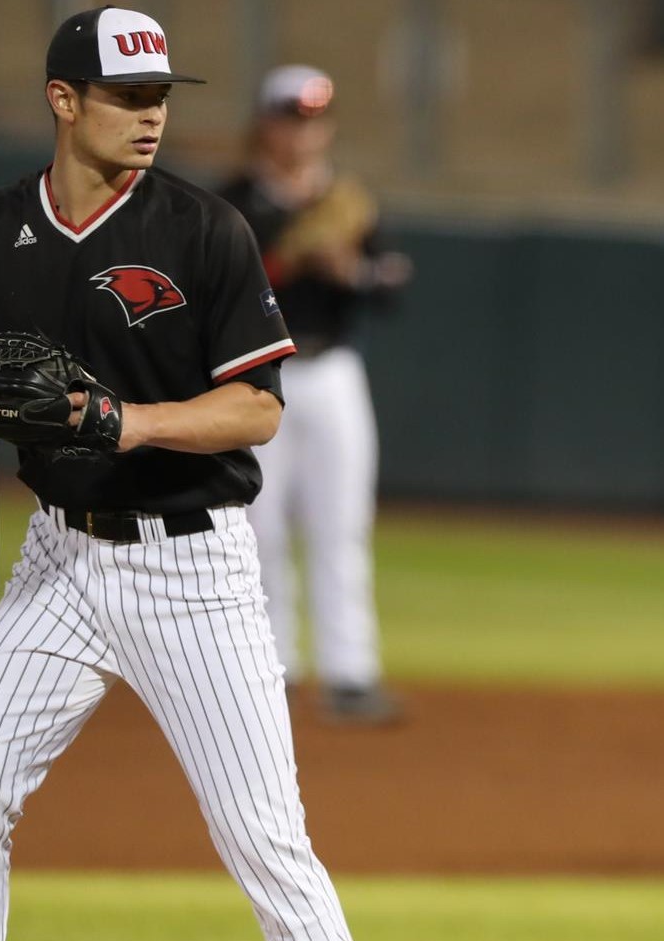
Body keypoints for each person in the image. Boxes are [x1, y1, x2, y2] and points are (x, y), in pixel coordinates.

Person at [0, 9, 400, 941]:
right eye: (126, 96)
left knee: (264, 838)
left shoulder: (204, 229)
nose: (150, 115)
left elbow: (257, 407)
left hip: (193, 571)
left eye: (159, 96)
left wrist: (127, 421)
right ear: (64, 100)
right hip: (58, 562)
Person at [219, 65, 412, 725]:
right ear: (264, 125)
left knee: (342, 525)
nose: (304, 133)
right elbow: (219, 288)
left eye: (314, 120)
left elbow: (392, 284)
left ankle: (349, 673)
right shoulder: (235, 202)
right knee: (258, 529)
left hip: (333, 372)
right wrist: (292, 257)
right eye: (291, 118)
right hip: (258, 376)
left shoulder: (345, 198)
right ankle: (268, 671)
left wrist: (352, 270)